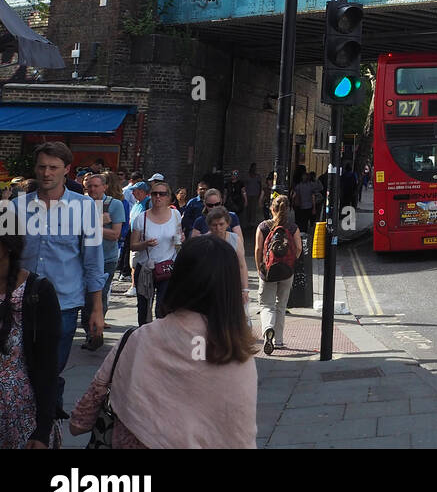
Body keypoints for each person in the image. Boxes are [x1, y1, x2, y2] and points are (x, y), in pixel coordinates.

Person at [70, 234, 258, 448]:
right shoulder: (238, 356)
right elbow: (241, 436)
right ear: (230, 288)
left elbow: (80, 421)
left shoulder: (137, 340)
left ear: (179, 278)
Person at [14, 141, 105, 419]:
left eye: (53, 167)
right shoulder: (15, 207)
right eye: (41, 166)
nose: (46, 173)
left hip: (64, 303)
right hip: (21, 301)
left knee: (52, 367)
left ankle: (46, 423)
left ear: (66, 170)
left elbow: (93, 259)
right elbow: (6, 257)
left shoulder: (85, 207)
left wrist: (97, 308)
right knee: (20, 367)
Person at [0, 223, 62, 448]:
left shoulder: (37, 291)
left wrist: (42, 429)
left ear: (7, 245)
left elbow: (48, 366)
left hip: (22, 419)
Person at [129, 179, 183, 326]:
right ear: (150, 196)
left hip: (167, 268)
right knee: (144, 308)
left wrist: (181, 239)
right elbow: (133, 245)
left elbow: (179, 236)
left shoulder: (176, 215)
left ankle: (161, 339)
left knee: (163, 308)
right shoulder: (141, 218)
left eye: (162, 194)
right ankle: (144, 337)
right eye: (154, 194)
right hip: (146, 268)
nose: (158, 197)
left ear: (169, 197)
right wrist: (145, 244)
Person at [254, 194, 301, 354]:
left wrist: (260, 267)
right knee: (281, 306)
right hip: (287, 272)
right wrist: (290, 262)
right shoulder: (293, 227)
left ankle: (268, 329)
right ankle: (278, 341)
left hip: (268, 271)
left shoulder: (263, 226)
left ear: (271, 208)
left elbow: (258, 249)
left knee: (267, 304)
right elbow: (299, 248)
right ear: (287, 210)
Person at [82, 173, 124, 349]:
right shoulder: (81, 204)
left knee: (99, 296)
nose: (92, 189)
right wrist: (99, 224)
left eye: (96, 186)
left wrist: (92, 227)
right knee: (85, 299)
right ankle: (89, 333)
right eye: (89, 186)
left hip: (107, 258)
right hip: (84, 258)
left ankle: (96, 332)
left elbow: (115, 235)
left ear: (105, 187)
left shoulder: (115, 205)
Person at [202, 206, 250, 324]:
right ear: (209, 225)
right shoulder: (204, 241)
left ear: (227, 224)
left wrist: (245, 289)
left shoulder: (235, 239)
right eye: (214, 225)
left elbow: (242, 265)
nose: (218, 228)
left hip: (231, 286)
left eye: (221, 224)